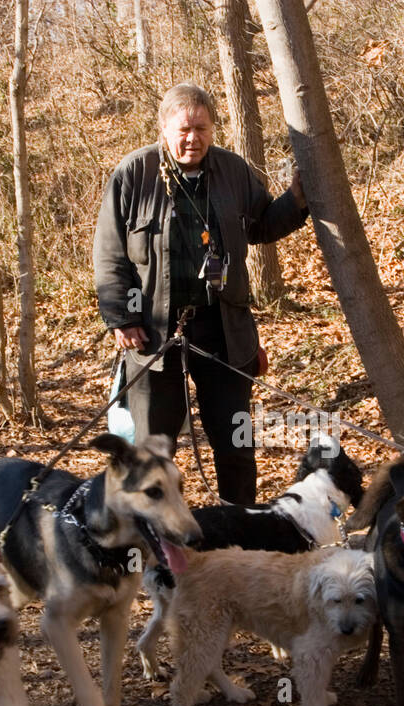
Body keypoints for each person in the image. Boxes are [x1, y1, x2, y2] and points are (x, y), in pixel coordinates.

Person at [93, 83, 310, 505]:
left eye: (202, 128)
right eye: (184, 129)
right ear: (164, 128)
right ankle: (151, 540)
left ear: (213, 129)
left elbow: (261, 225)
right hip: (153, 334)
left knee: (235, 443)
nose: (193, 138)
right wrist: (123, 317)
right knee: (152, 451)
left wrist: (296, 200)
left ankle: (242, 531)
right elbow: (109, 252)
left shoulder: (232, 170)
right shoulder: (133, 174)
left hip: (225, 330)